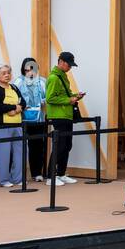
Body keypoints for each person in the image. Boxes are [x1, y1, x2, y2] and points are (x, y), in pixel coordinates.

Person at [44, 51, 84, 187]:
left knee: (67, 145)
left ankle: (61, 173)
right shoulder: (54, 78)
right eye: (69, 64)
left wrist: (75, 96)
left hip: (66, 115)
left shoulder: (63, 76)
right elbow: (50, 98)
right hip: (58, 116)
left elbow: (63, 95)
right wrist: (69, 99)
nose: (70, 67)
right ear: (60, 62)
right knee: (59, 145)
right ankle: (50, 176)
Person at [0, 64, 26, 187]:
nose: (7, 75)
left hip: (17, 125)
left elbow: (23, 102)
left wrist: (17, 109)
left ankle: (17, 178)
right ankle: (3, 180)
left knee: (20, 153)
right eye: (3, 73)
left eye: (8, 72)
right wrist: (13, 107)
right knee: (3, 153)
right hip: (2, 126)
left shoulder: (14, 87)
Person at [13, 58, 48, 181]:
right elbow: (13, 98)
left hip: (39, 119)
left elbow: (47, 97)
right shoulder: (17, 82)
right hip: (22, 119)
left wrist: (43, 102)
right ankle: (17, 174)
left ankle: (37, 172)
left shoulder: (43, 81)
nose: (30, 71)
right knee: (19, 146)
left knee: (38, 146)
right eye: (27, 69)